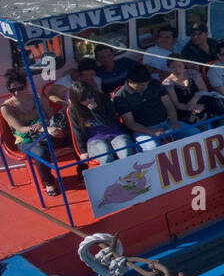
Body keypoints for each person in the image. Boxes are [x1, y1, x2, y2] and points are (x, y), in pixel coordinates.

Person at [3, 68, 59, 196]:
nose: (17, 92)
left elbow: (51, 116)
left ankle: (82, 168)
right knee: (39, 151)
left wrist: (47, 125)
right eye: (12, 90)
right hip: (26, 139)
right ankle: (48, 182)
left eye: (20, 88)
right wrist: (40, 127)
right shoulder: (6, 108)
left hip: (47, 132)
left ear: (26, 86)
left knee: (67, 135)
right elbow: (20, 129)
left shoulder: (38, 98)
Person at [113, 65, 193, 150]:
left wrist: (174, 122)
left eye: (147, 84)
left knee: (194, 132)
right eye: (141, 85)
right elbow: (130, 123)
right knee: (153, 147)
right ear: (130, 81)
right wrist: (152, 132)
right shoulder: (121, 97)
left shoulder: (155, 83)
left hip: (166, 123)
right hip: (143, 130)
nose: (145, 87)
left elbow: (169, 105)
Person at [66, 80, 133, 164]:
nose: (88, 100)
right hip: (94, 139)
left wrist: (96, 111)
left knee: (126, 154)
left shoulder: (104, 99)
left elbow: (111, 124)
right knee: (107, 157)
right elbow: (77, 131)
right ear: (77, 101)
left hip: (116, 133)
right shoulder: (73, 110)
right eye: (83, 99)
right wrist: (83, 151)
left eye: (90, 96)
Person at [161, 55, 224, 126]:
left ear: (184, 64)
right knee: (195, 120)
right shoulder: (167, 83)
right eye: (173, 67)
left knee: (214, 105)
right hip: (185, 109)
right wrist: (191, 108)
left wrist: (195, 100)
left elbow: (203, 90)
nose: (177, 69)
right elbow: (176, 104)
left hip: (201, 101)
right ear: (169, 68)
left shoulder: (192, 73)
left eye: (179, 66)